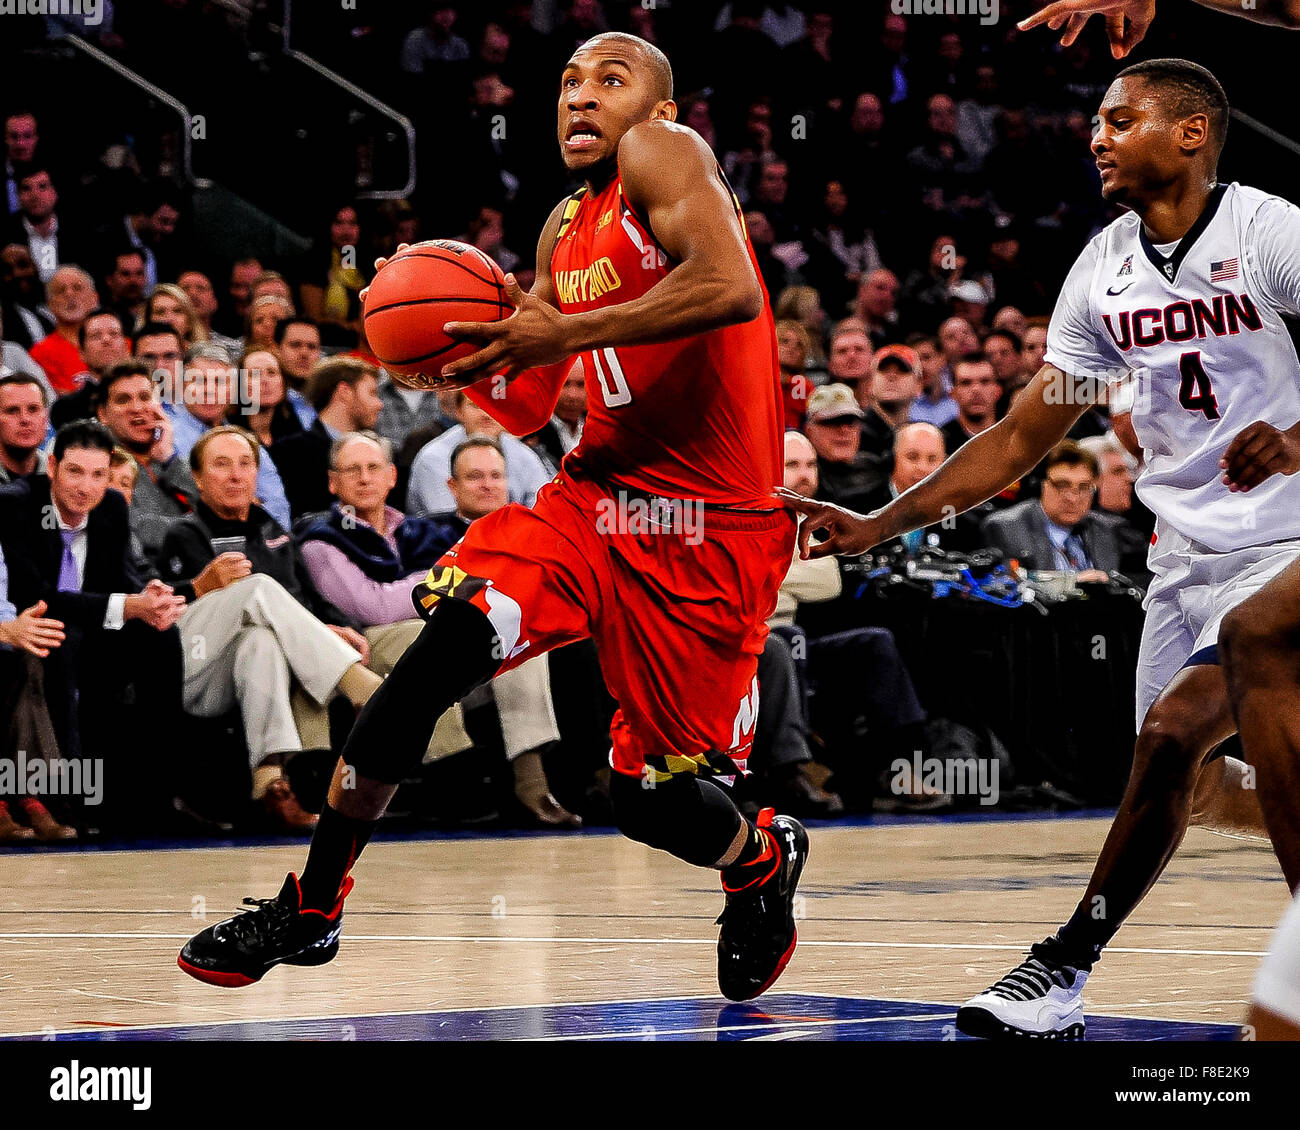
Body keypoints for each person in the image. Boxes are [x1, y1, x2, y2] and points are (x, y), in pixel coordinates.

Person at [180, 31, 806, 1004]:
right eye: (567, 81)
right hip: (594, 498)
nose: (581, 97)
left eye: (611, 78)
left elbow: (726, 288)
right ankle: (313, 902)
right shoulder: (564, 226)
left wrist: (561, 324)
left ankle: (760, 858)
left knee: (645, 799)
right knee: (431, 661)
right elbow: (531, 398)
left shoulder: (666, 152)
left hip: (707, 521)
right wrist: (461, 358)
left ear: (658, 102)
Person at [780, 58, 1294, 1039]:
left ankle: (1060, 965)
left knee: (1172, 730)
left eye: (1120, 118)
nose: (1096, 134)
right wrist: (881, 518)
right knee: (1181, 782)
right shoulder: (1101, 267)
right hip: (1182, 561)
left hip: (1288, 548)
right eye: (1095, 120)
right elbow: (1020, 437)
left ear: (1190, 133)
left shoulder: (1269, 232)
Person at [298, 432, 580, 827]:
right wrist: (438, 579)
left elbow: (465, 587)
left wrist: (445, 584)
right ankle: (454, 772)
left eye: (373, 468)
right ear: (332, 481)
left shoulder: (419, 529)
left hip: (427, 633)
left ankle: (530, 777)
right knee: (422, 635)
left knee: (509, 634)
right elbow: (371, 606)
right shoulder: (320, 539)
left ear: (392, 476)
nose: (365, 478)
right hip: (360, 646)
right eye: (352, 470)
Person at [157, 427, 383, 832]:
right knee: (257, 588)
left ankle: (270, 784)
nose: (235, 475)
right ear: (197, 478)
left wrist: (340, 626)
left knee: (259, 641)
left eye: (245, 464)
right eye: (221, 465)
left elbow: (312, 597)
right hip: (192, 663)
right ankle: (361, 687)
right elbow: (167, 608)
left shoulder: (274, 529)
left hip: (244, 670)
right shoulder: (182, 534)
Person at [981, 440, 1126, 579]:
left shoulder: (1108, 529)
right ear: (1040, 485)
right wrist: (1072, 582)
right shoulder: (1008, 527)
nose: (1073, 498)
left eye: (1083, 487)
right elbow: (1012, 584)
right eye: (1062, 485)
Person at [406, 389, 552, 516]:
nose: (486, 415)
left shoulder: (525, 455)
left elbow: (543, 511)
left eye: (495, 405)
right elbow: (448, 521)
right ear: (458, 411)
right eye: (476, 405)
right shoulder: (433, 458)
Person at [271, 356, 383, 518]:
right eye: (372, 393)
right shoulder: (288, 454)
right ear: (344, 392)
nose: (379, 404)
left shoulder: (378, 453)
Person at [0, 372, 48, 484]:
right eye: (12, 411)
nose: (25, 419)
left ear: (45, 416)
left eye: (33, 409)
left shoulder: (60, 477)